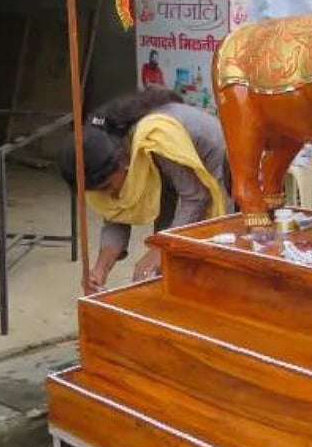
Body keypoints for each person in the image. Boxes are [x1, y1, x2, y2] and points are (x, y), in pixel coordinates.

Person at [59, 88, 230, 294]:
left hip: (220, 168)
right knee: (165, 261)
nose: (107, 196)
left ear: (123, 164)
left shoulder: (155, 137)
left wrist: (161, 248)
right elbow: (117, 212)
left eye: (106, 187)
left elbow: (196, 197)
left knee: (215, 255)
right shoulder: (112, 146)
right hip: (173, 177)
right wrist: (100, 269)